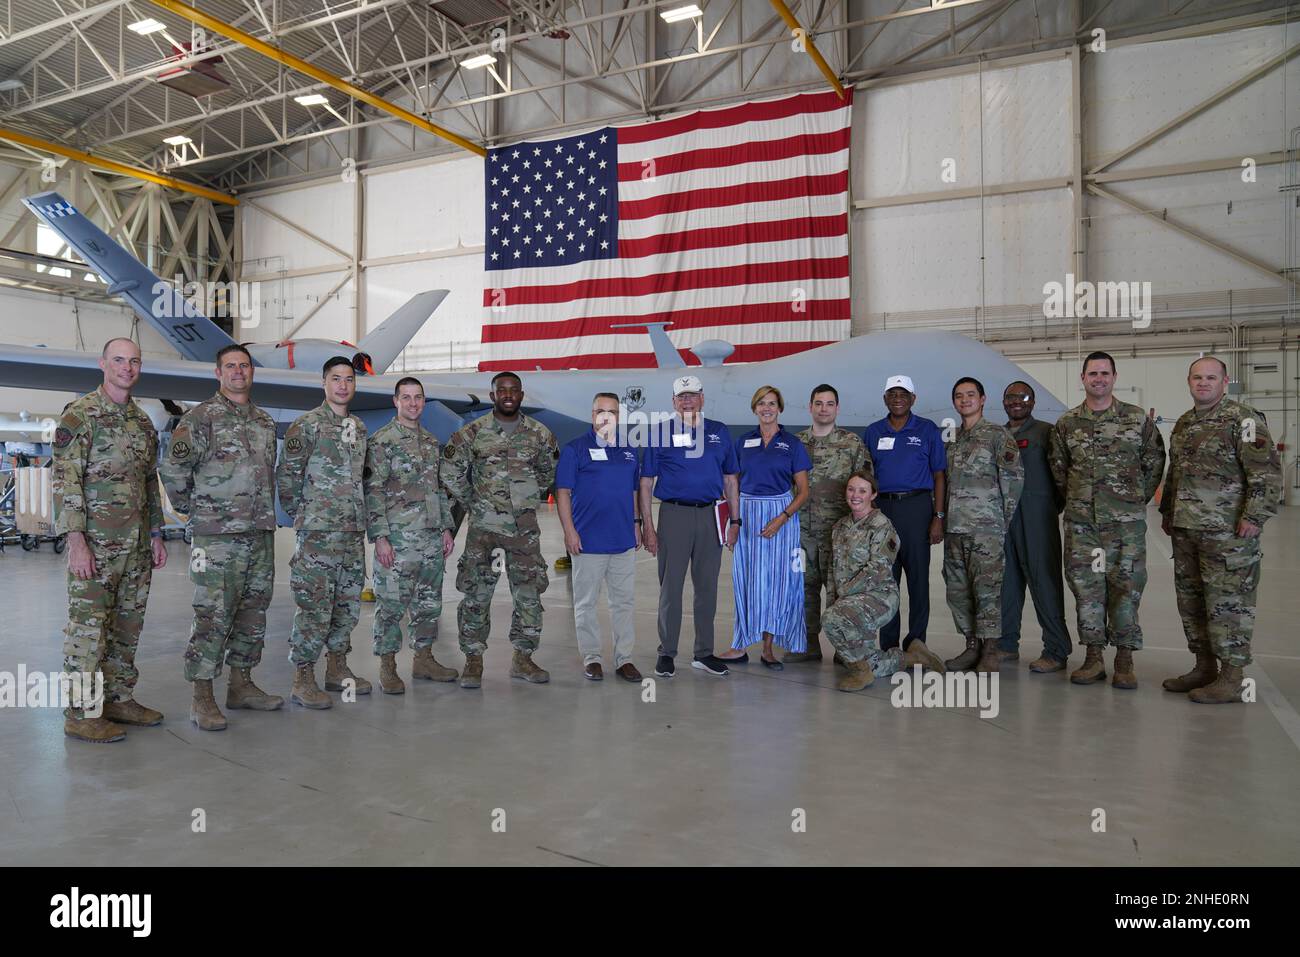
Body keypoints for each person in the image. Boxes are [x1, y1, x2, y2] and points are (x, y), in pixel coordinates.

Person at [160, 344, 282, 731]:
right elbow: (174, 470)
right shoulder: (200, 419)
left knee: (253, 611)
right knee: (212, 615)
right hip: (217, 537)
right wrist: (198, 512)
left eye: (244, 366)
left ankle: (241, 685)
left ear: (251, 372)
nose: (238, 372)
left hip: (259, 532)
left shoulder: (264, 421)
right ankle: (202, 696)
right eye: (230, 366)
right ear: (218, 373)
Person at [53, 337, 168, 743]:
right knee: (88, 629)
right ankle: (81, 713)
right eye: (119, 360)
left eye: (134, 361)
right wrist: (76, 541)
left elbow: (148, 482)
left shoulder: (141, 422)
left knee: (127, 626)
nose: (127, 367)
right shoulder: (80, 416)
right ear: (103, 364)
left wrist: (156, 532)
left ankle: (118, 698)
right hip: (97, 545)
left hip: (135, 545)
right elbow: (65, 480)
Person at [1159, 357, 1282, 703]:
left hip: (1228, 534)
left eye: (1211, 377)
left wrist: (1254, 517)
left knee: (1228, 604)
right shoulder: (1184, 424)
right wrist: (1169, 512)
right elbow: (1175, 474)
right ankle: (1204, 666)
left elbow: (1267, 474)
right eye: (1197, 377)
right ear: (1189, 381)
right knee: (1193, 602)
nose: (1203, 383)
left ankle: (1231, 677)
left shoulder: (1243, 420)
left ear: (1224, 381)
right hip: (1187, 530)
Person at [1049, 351, 1165, 689]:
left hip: (1125, 526)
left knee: (1126, 589)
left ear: (1114, 377)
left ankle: (1125, 658)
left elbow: (1154, 461)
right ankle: (1094, 656)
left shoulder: (1136, 419)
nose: (1098, 379)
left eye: (1104, 373)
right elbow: (1059, 469)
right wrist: (1079, 501)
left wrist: (1131, 500)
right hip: (1082, 525)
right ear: (1082, 379)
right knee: (1087, 589)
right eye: (1092, 374)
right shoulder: (1067, 423)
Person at [442, 371, 558, 689]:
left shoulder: (539, 434)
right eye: (501, 390)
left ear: (522, 395)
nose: (508, 394)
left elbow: (548, 472)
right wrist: (473, 502)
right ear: (493, 396)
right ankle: (473, 660)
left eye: (514, 390)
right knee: (476, 596)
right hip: (484, 531)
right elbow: (450, 471)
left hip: (524, 531)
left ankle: (523, 658)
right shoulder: (473, 433)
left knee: (529, 595)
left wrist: (526, 499)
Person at [277, 356, 371, 709]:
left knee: (346, 606)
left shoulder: (359, 428)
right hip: (318, 535)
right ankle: (302, 677)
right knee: (314, 606)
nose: (343, 385)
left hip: (351, 534)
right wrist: (305, 514)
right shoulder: (307, 426)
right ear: (323, 383)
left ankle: (337, 667)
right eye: (336, 379)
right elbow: (287, 477)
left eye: (349, 379)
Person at [639, 374, 739, 678]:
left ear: (702, 398)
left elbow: (730, 479)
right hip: (674, 515)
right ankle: (667, 652)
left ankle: (703, 653)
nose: (687, 400)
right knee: (671, 587)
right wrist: (648, 526)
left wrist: (735, 520)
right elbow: (646, 483)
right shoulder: (659, 433)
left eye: (692, 395)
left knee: (707, 588)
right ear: (673, 402)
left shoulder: (719, 433)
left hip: (710, 516)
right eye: (681, 396)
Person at [364, 377, 458, 694]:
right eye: (406, 397)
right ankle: (388, 666)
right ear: (396, 401)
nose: (413, 403)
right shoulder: (382, 441)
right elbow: (372, 491)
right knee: (391, 606)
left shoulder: (432, 442)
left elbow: (438, 489)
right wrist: (380, 537)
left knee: (428, 604)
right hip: (398, 540)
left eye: (418, 397)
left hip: (430, 538)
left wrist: (446, 527)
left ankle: (424, 659)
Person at [717, 386, 810, 670]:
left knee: (779, 582)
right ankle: (739, 644)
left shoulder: (792, 444)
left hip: (781, 515)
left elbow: (804, 491)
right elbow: (729, 484)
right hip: (747, 513)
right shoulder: (742, 442)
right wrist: (732, 522)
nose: (767, 408)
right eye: (761, 403)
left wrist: (781, 518)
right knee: (746, 579)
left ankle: (768, 648)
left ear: (779, 408)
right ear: (754, 408)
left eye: (772, 403)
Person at [556, 393, 643, 682]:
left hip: (622, 542)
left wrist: (636, 523)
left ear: (619, 416)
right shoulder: (575, 450)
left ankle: (624, 659)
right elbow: (563, 493)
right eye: (600, 411)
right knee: (586, 603)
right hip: (588, 542)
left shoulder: (629, 451)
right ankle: (592, 657)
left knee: (624, 603)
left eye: (612, 412)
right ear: (592, 415)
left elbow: (632, 492)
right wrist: (569, 531)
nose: (606, 416)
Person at [825, 471, 938, 691]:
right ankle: (911, 658)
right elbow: (833, 571)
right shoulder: (839, 527)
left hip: (879, 597)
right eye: (851, 489)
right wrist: (834, 600)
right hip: (851, 601)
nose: (855, 495)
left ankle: (861, 672)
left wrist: (843, 599)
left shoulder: (882, 526)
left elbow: (877, 570)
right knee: (866, 657)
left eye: (862, 490)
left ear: (873, 495)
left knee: (831, 619)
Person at [941, 377, 1023, 672]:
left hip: (986, 529)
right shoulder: (951, 439)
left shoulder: (997, 436)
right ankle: (971, 645)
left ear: (983, 399)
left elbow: (1013, 482)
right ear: (954, 402)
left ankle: (990, 648)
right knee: (957, 590)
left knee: (987, 589)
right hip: (954, 529)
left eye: (971, 394)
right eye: (959, 396)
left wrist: (1000, 522)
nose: (965, 400)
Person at [864, 375, 947, 661]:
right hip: (884, 510)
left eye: (904, 394)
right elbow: (867, 476)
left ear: (913, 399)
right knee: (886, 581)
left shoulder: (926, 430)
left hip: (917, 508)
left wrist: (938, 516)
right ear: (885, 398)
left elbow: (939, 475)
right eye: (892, 394)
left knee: (918, 580)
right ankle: (889, 646)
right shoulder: (874, 431)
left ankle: (916, 643)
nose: (897, 398)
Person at [787, 384, 870, 663]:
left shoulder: (851, 443)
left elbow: (864, 485)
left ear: (837, 408)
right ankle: (808, 644)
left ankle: (843, 649)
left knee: (840, 591)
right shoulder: (794, 444)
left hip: (838, 534)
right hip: (800, 532)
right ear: (810, 407)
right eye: (819, 403)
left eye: (829, 403)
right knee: (803, 590)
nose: (824, 408)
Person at [998, 381, 1072, 672]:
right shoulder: (999, 434)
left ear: (1032, 401)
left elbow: (1062, 474)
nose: (1017, 401)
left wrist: (1048, 507)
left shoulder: (1045, 433)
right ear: (1004, 402)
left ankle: (1056, 650)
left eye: (1022, 397)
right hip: (1006, 519)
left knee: (1045, 582)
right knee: (1008, 584)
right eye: (1011, 397)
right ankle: (1006, 644)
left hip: (1037, 517)